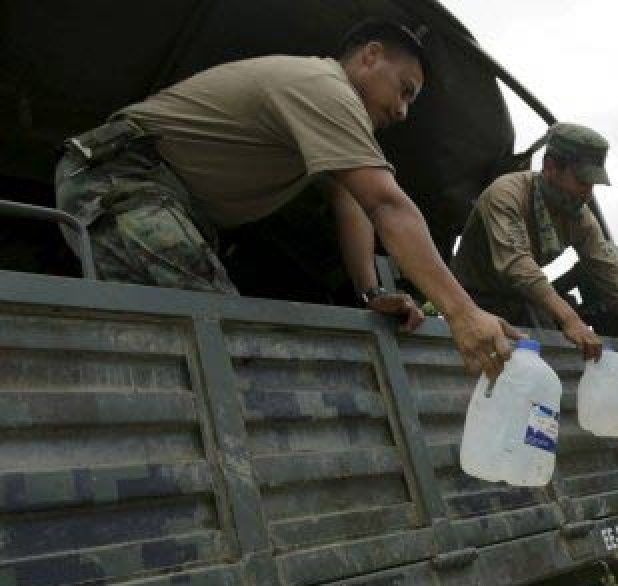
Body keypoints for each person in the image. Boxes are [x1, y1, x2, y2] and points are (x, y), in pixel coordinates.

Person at [54, 18, 517, 378]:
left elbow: (353, 200)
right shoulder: (326, 89)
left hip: (153, 195)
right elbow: (386, 204)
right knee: (220, 334)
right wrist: (463, 314)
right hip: (117, 180)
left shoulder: (328, 111)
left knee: (194, 342)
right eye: (405, 91)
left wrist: (370, 293)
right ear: (371, 56)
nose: (402, 111)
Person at [448, 122, 618, 389]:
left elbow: (615, 280)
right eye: (582, 180)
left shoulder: (580, 216)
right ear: (550, 166)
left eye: (593, 183)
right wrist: (570, 320)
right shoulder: (506, 194)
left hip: (525, 303)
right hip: (472, 302)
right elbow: (518, 265)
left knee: (555, 378)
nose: (588, 192)